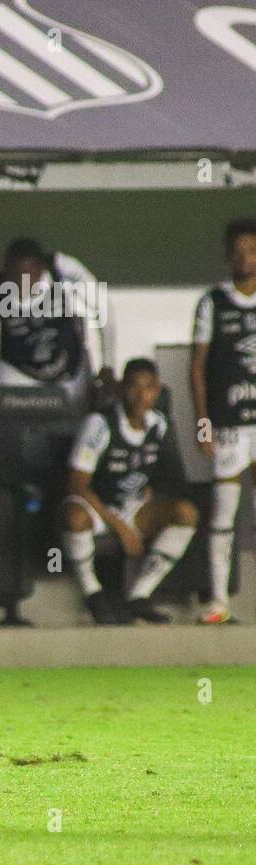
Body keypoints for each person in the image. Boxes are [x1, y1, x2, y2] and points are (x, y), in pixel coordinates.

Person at [63, 359, 197, 624]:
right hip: (98, 507)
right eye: (134, 387)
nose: (140, 395)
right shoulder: (99, 424)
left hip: (132, 506)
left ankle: (140, 596)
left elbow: (161, 474)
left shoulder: (159, 424)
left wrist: (147, 493)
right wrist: (121, 527)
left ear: (157, 391)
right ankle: (93, 594)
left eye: (148, 388)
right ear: (122, 388)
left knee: (186, 513)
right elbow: (76, 484)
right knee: (72, 516)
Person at [191, 218, 256, 625]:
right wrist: (203, 423)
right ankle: (218, 602)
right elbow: (198, 368)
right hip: (230, 424)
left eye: (251, 249)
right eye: (237, 250)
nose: (244, 257)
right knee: (223, 513)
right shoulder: (212, 301)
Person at [0, 239, 114, 403]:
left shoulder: (62, 270)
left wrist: (108, 365)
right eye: (13, 276)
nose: (20, 284)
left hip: (69, 370)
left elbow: (103, 307)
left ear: (41, 268)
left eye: (27, 277)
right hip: (19, 373)